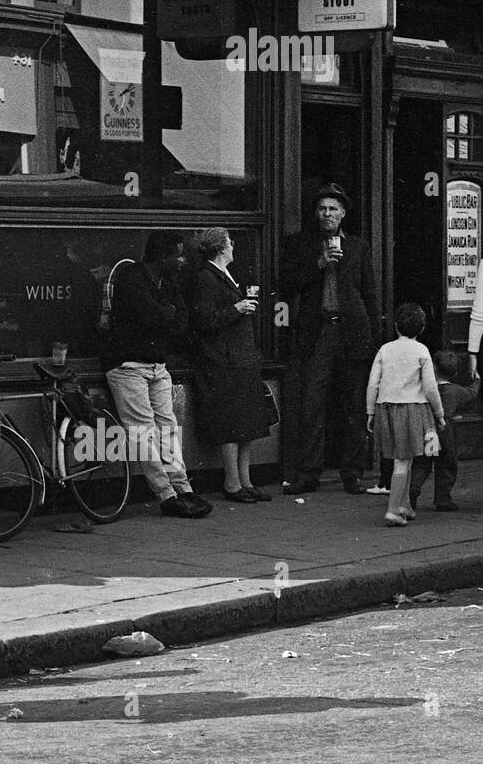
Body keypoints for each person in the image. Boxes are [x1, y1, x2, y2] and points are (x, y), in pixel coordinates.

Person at [280, 183, 381, 495]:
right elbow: (287, 284)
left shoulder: (358, 247)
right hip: (319, 331)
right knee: (312, 405)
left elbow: (369, 293)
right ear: (315, 213)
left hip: (352, 333)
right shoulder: (301, 244)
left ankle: (353, 474)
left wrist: (374, 341)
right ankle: (308, 474)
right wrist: (319, 265)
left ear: (343, 214)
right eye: (322, 209)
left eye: (333, 209)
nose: (327, 214)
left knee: (354, 405)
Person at [103, 232, 211, 519]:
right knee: (143, 432)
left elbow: (178, 320)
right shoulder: (132, 278)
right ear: (162, 257)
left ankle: (183, 488)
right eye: (177, 254)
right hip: (128, 366)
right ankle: (166, 495)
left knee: (167, 427)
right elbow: (156, 318)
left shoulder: (167, 280)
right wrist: (169, 314)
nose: (182, 260)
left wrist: (169, 315)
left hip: (156, 365)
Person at [188, 227, 271, 503]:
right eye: (230, 242)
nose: (233, 246)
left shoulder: (221, 276)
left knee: (246, 423)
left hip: (239, 358)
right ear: (222, 248)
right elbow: (203, 320)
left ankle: (245, 481)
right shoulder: (206, 278)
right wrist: (237, 309)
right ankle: (233, 483)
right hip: (224, 360)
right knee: (232, 423)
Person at [366, 303, 445, 527]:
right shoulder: (422, 351)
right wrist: (439, 413)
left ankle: (405, 505)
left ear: (395, 326)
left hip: (387, 407)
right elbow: (430, 387)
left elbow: (373, 384)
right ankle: (393, 509)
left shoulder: (385, 349)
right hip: (413, 408)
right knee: (404, 459)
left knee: (404, 458)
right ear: (421, 329)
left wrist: (370, 411)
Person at [411, 350, 476, 513]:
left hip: (428, 429)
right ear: (454, 373)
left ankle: (413, 489)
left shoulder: (424, 388)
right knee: (447, 464)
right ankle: (443, 500)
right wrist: (476, 379)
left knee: (423, 463)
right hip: (445, 431)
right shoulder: (455, 391)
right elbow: (472, 394)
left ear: (433, 369)